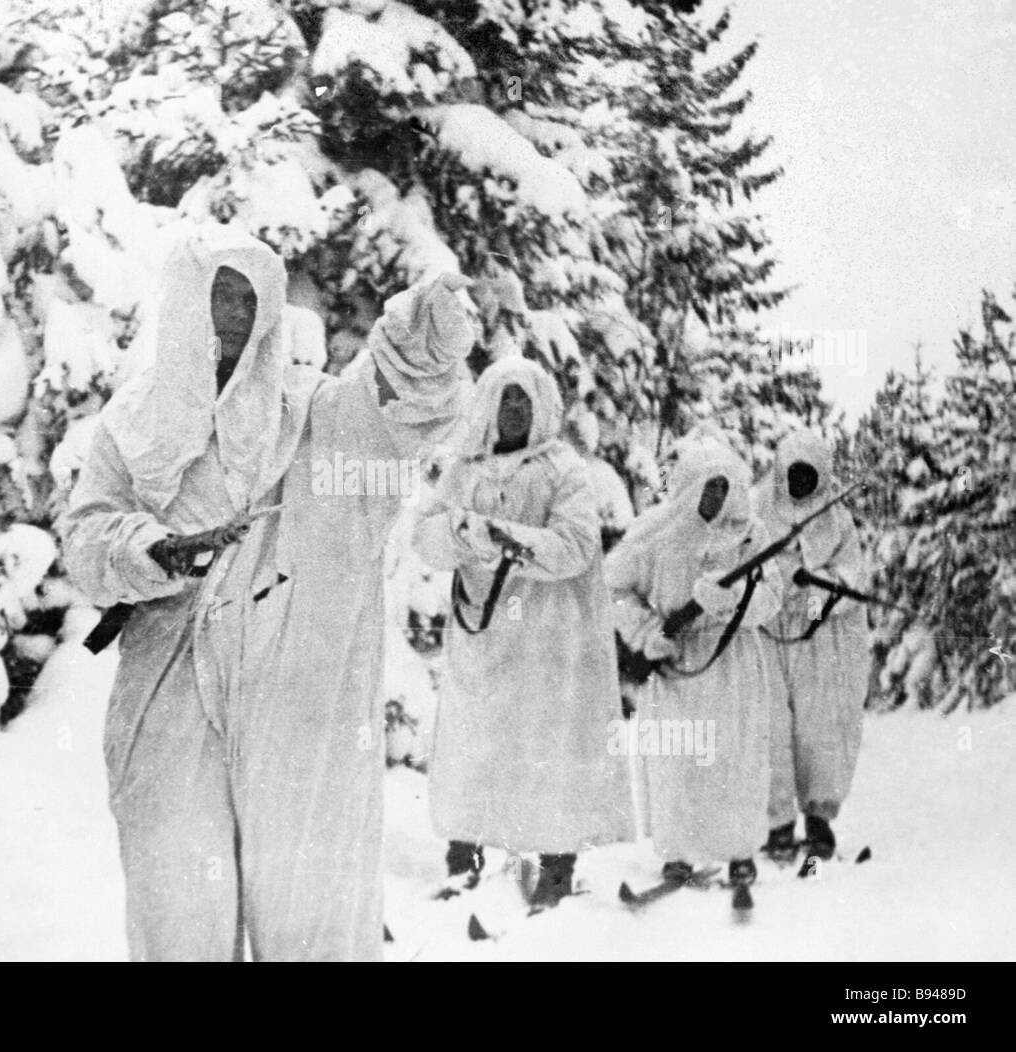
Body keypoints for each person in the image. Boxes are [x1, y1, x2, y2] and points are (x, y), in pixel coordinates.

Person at [60, 223, 474, 961]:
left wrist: (417, 340)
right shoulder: (129, 425)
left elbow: (387, 422)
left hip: (293, 700)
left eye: (248, 299)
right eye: (218, 294)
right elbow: (87, 541)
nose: (232, 316)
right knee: (180, 901)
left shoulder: (308, 412)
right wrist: (153, 548)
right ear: (186, 302)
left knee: (306, 898)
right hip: (168, 698)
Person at [412, 356, 631, 911]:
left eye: (524, 399)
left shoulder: (564, 470)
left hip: (548, 637)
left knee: (548, 747)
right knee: (476, 741)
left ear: (541, 406)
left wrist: (494, 535)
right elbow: (427, 539)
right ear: (488, 403)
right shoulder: (464, 469)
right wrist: (466, 534)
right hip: (483, 640)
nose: (514, 409)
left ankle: (557, 866)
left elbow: (577, 547)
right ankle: (466, 859)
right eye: (505, 397)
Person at [604, 434, 781, 891]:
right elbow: (614, 590)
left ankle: (740, 853)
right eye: (707, 486)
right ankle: (679, 856)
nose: (717, 497)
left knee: (736, 761)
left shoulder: (750, 535)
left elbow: (772, 598)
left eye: (724, 486)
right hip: (673, 665)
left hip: (732, 662)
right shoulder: (654, 532)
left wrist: (734, 598)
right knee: (676, 764)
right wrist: (646, 634)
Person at [755, 428, 872, 861]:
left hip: (819, 642)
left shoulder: (836, 519)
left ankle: (818, 818)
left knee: (819, 728)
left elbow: (852, 575)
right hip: (766, 636)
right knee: (770, 728)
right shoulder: (756, 507)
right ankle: (777, 822)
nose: (800, 483)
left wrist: (817, 597)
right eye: (793, 473)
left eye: (808, 475)